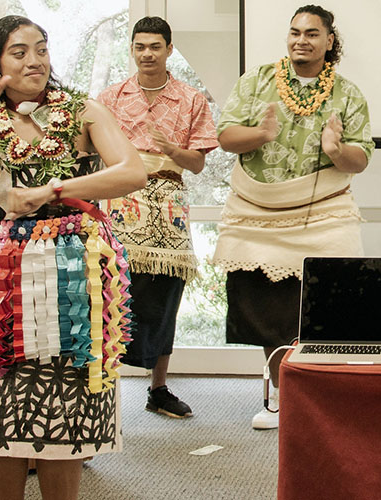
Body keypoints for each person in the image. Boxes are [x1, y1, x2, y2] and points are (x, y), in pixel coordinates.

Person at [0, 15, 145, 500]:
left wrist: (54, 189)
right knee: (3, 394)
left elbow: (133, 171)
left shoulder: (82, 111)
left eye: (42, 48)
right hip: (3, 274)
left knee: (67, 404)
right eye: (19, 51)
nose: (35, 60)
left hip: (76, 272)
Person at [214, 4, 374, 430]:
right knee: (265, 309)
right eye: (295, 32)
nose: (301, 39)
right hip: (257, 207)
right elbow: (226, 136)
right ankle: (280, 397)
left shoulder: (348, 93)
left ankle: (324, 396)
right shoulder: (257, 81)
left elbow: (361, 158)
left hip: (324, 210)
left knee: (330, 303)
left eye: (311, 33)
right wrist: (261, 134)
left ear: (329, 41)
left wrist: (338, 151)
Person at [97, 16, 218, 419]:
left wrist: (171, 149)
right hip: (120, 199)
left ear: (169, 49)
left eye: (155, 46)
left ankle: (159, 388)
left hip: (168, 202)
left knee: (166, 296)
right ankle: (102, 390)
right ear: (131, 49)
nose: (147, 54)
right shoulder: (110, 97)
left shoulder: (191, 99)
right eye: (139, 46)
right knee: (112, 293)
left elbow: (197, 164)